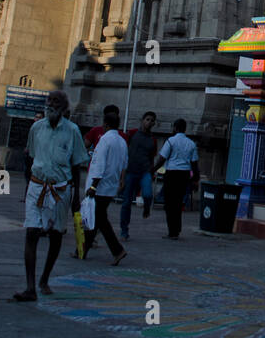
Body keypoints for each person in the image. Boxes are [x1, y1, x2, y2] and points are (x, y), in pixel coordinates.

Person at [13, 89, 88, 302]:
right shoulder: (36, 128)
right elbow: (33, 156)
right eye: (49, 102)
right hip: (37, 186)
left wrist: (75, 196)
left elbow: (76, 165)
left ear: (64, 109)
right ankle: (30, 287)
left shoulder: (72, 131)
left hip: (61, 189)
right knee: (32, 232)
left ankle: (44, 278)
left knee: (56, 235)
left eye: (55, 103)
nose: (50, 106)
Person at [82, 105, 128, 265]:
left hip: (99, 186)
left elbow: (99, 164)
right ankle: (82, 250)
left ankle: (117, 250)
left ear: (105, 124)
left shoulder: (105, 140)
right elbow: (124, 164)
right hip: (111, 186)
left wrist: (93, 185)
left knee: (100, 220)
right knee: (94, 219)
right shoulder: (122, 141)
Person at [119, 111, 158, 240]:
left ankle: (146, 208)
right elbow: (124, 151)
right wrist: (122, 175)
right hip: (131, 171)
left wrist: (151, 171)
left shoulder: (152, 139)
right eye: (147, 119)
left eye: (152, 120)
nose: (149, 122)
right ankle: (124, 230)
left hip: (145, 171)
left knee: (147, 194)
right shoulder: (132, 133)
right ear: (142, 120)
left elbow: (152, 156)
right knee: (126, 202)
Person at [159, 118, 199, 239]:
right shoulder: (191, 143)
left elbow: (162, 158)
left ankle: (172, 230)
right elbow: (195, 164)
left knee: (169, 203)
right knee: (178, 202)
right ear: (185, 129)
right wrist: (195, 179)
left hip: (171, 174)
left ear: (175, 128)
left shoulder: (170, 141)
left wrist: (152, 170)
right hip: (184, 175)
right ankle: (176, 230)